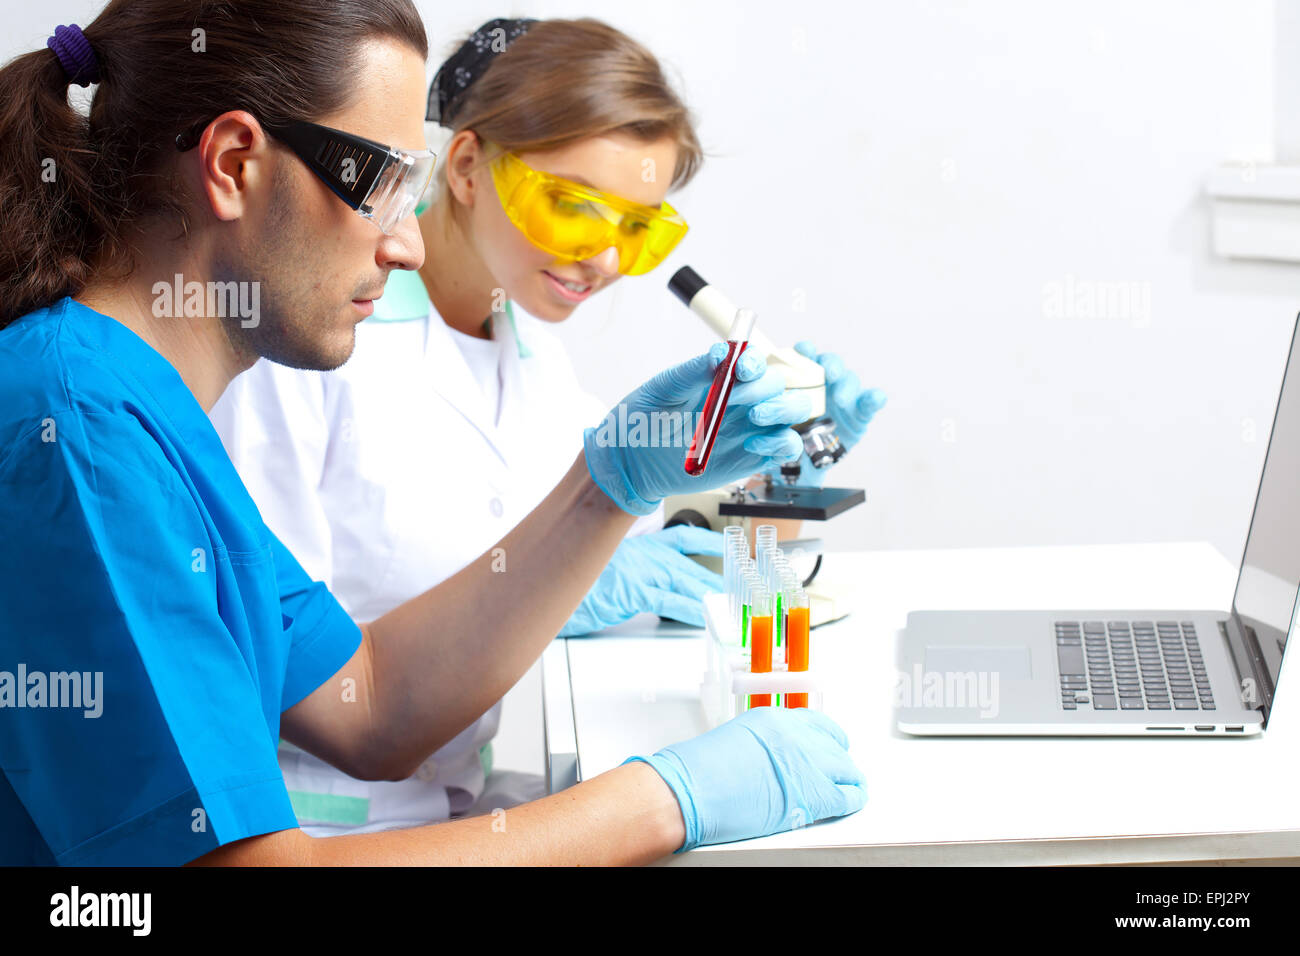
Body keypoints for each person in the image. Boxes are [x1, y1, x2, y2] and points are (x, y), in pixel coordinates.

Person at [0, 0, 864, 866]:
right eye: (380, 183)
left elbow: (369, 704)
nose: (408, 244)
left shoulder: (145, 416)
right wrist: (660, 800)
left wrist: (611, 483)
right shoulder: (77, 431)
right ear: (232, 164)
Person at [210, 16, 887, 833]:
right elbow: (267, 658)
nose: (600, 259)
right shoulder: (301, 349)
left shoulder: (527, 352)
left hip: (456, 803)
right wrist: (540, 598)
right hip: (318, 824)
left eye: (636, 231)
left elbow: (642, 555)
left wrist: (780, 481)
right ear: (465, 167)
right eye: (573, 208)